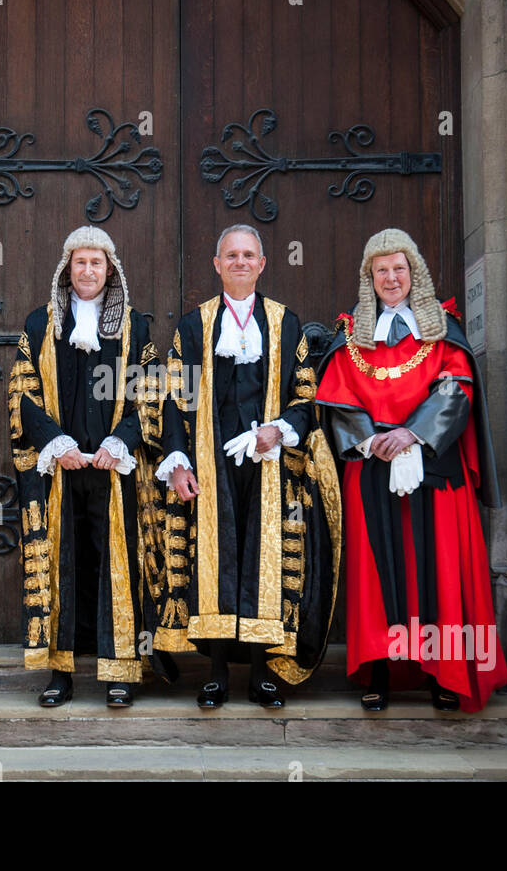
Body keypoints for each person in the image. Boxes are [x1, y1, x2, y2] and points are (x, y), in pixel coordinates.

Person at [315, 228, 507, 713]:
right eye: (381, 270)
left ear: (413, 272)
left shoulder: (443, 327)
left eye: (399, 268)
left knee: (438, 568)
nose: (391, 278)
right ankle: (378, 670)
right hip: (371, 465)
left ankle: (443, 672)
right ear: (369, 278)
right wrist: (374, 440)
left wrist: (413, 435)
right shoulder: (350, 333)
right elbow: (337, 395)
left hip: (434, 465)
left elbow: (457, 387)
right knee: (374, 574)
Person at [154, 224, 340, 708]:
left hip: (269, 463)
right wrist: (178, 463)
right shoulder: (193, 326)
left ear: (262, 264)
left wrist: (276, 431)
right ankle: (215, 674)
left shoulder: (286, 323)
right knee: (216, 563)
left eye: (248, 255)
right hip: (208, 463)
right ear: (217, 265)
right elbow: (173, 397)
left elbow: (306, 397)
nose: (240, 262)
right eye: (231, 255)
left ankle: (261, 674)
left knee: (263, 563)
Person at [7, 225, 172, 708]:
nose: (87, 270)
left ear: (110, 270)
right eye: (79, 262)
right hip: (59, 470)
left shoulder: (134, 327)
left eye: (96, 263)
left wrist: (121, 442)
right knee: (63, 567)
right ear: (67, 268)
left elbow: (151, 391)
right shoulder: (40, 324)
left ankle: (121, 671)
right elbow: (22, 393)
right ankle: (60, 673)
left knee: (115, 566)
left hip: (113, 471)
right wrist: (55, 443)